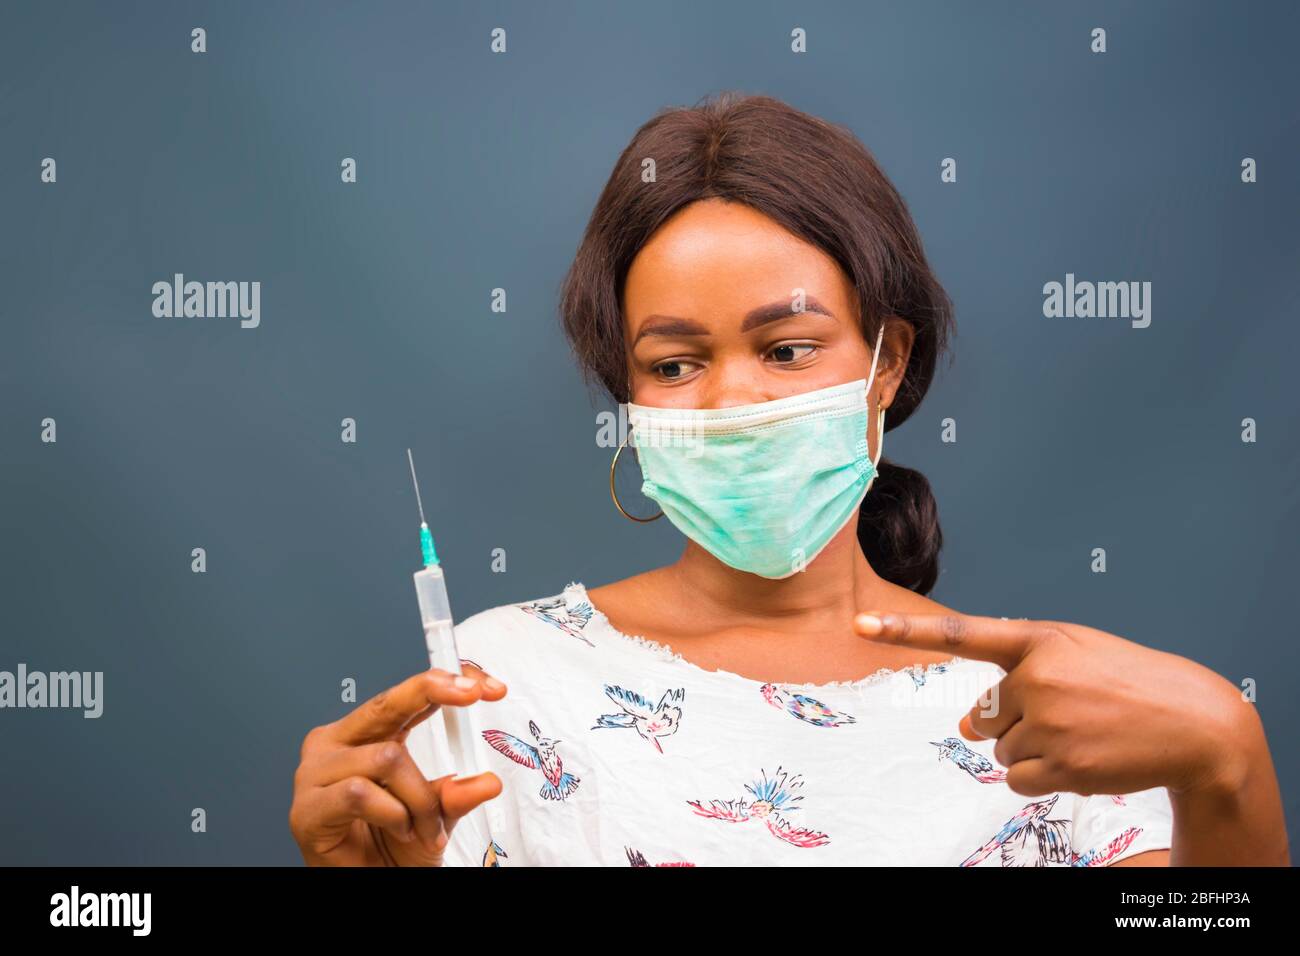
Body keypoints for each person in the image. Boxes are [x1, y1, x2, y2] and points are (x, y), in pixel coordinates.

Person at [288, 92, 1288, 867]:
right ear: (629, 397)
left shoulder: (1043, 714)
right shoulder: (500, 686)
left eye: (788, 348)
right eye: (675, 363)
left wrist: (1228, 762)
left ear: (887, 363)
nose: (732, 400)